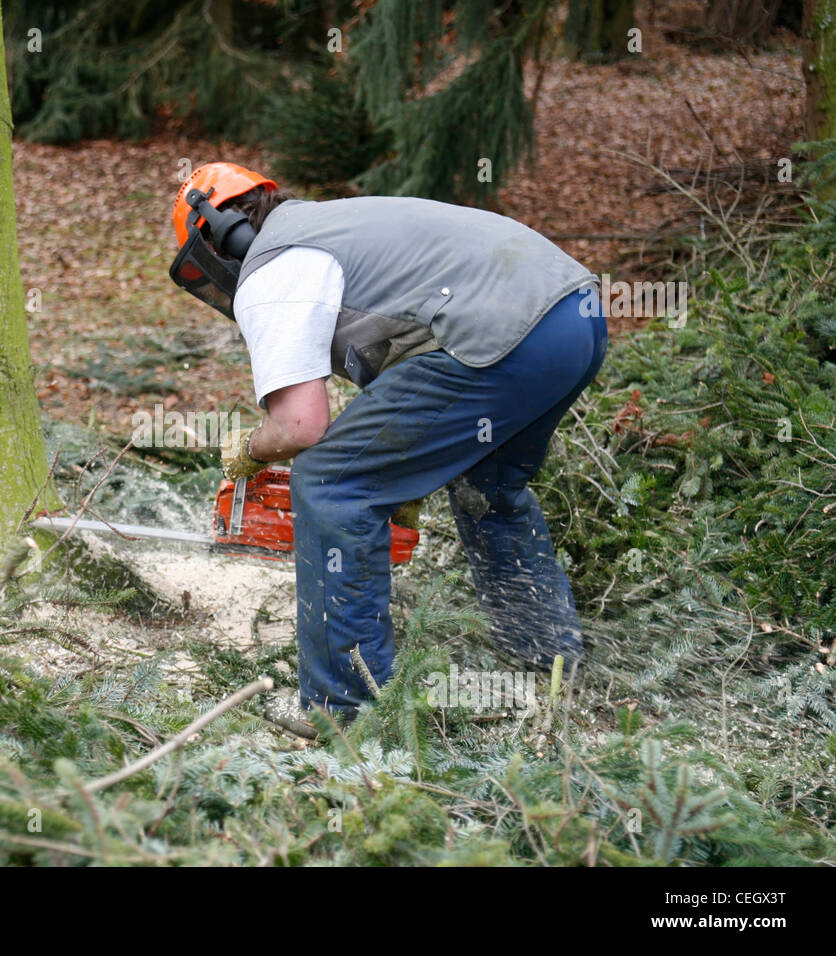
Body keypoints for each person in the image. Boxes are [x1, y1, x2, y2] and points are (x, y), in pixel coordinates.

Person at [168, 162, 608, 724]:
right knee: (490, 488)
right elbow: (411, 365)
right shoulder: (338, 229)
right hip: (574, 315)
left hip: (501, 336)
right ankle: (545, 660)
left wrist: (251, 450)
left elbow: (301, 427)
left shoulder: (273, 268)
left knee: (331, 483)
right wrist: (402, 470)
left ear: (219, 238)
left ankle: (344, 707)